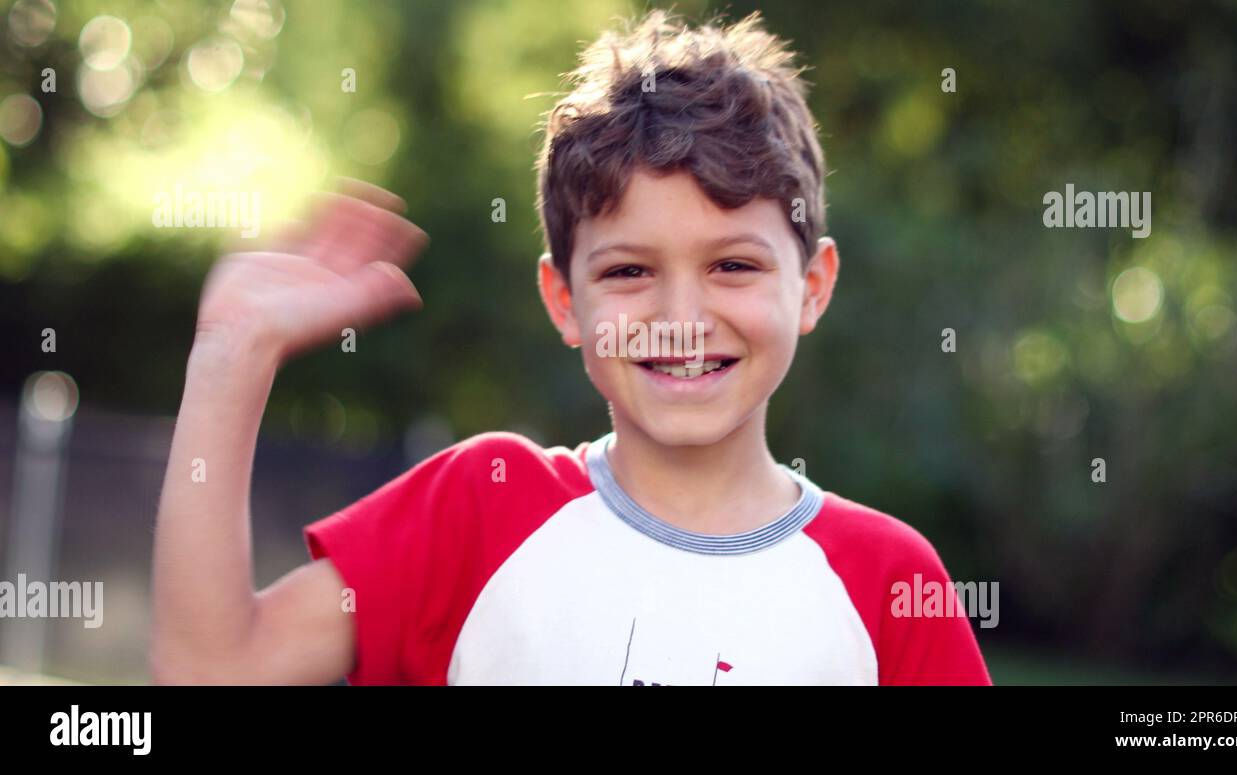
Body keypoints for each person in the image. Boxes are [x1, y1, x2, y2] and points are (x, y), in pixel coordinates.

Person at [150, 9, 992, 685]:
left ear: (812, 286)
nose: (679, 315)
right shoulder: (475, 508)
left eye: (733, 264)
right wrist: (232, 355)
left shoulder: (890, 581)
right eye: (629, 270)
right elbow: (208, 669)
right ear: (564, 299)